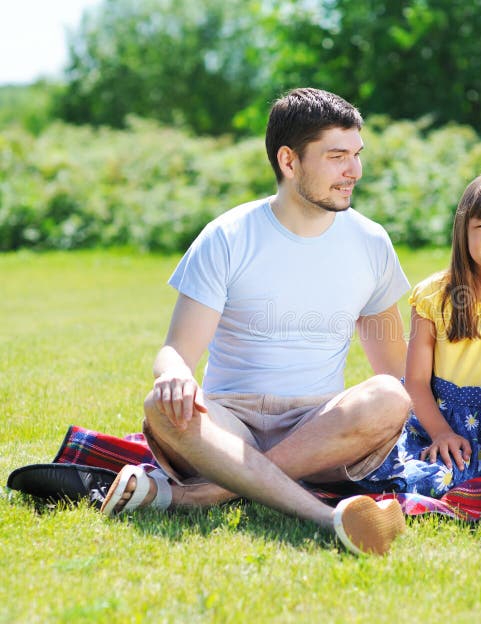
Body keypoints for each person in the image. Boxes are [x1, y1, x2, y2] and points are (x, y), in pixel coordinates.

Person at [99, 87, 412, 555]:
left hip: (317, 426)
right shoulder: (227, 236)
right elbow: (174, 352)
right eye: (337, 156)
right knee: (159, 404)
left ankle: (199, 496)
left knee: (389, 396)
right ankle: (327, 518)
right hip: (231, 421)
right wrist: (176, 375)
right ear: (289, 161)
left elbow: (395, 373)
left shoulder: (371, 242)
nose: (355, 171)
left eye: (357, 155)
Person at [358, 171, 481, 497]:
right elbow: (415, 382)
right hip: (422, 421)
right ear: (463, 233)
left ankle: (387, 493)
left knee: (446, 475)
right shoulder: (434, 296)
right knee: (365, 457)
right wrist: (439, 433)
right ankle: (372, 481)